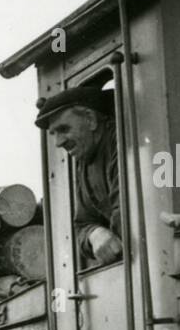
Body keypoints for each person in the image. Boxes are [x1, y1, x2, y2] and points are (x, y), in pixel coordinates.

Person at [35, 86, 123, 269]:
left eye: (64, 129)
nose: (58, 142)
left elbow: (126, 219)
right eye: (54, 134)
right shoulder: (85, 158)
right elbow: (82, 224)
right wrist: (95, 233)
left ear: (90, 119)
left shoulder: (121, 141)